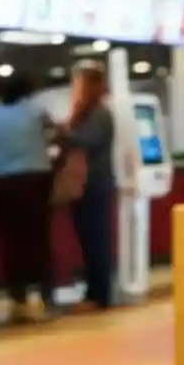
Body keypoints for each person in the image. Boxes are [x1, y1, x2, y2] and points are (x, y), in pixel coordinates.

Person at [0, 74, 56, 322]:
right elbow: (58, 135)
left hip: (6, 181)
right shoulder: (37, 112)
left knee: (13, 240)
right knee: (40, 237)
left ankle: (18, 293)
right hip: (38, 178)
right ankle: (47, 290)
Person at [64, 61, 115, 312]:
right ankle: (93, 291)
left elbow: (87, 140)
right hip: (86, 184)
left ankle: (100, 294)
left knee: (96, 240)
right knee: (89, 240)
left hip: (95, 184)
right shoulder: (87, 112)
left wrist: (61, 132)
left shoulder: (100, 114)